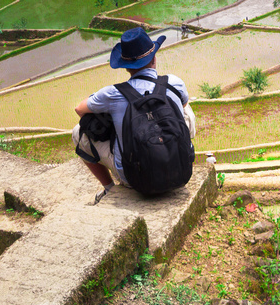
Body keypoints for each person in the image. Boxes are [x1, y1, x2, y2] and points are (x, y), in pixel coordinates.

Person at [72, 27, 196, 204]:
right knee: (185, 106)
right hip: (181, 169)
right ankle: (181, 152)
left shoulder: (112, 94)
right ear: (154, 57)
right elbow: (182, 107)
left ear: (126, 67)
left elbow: (79, 109)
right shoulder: (175, 82)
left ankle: (109, 188)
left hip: (135, 179)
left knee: (78, 132)